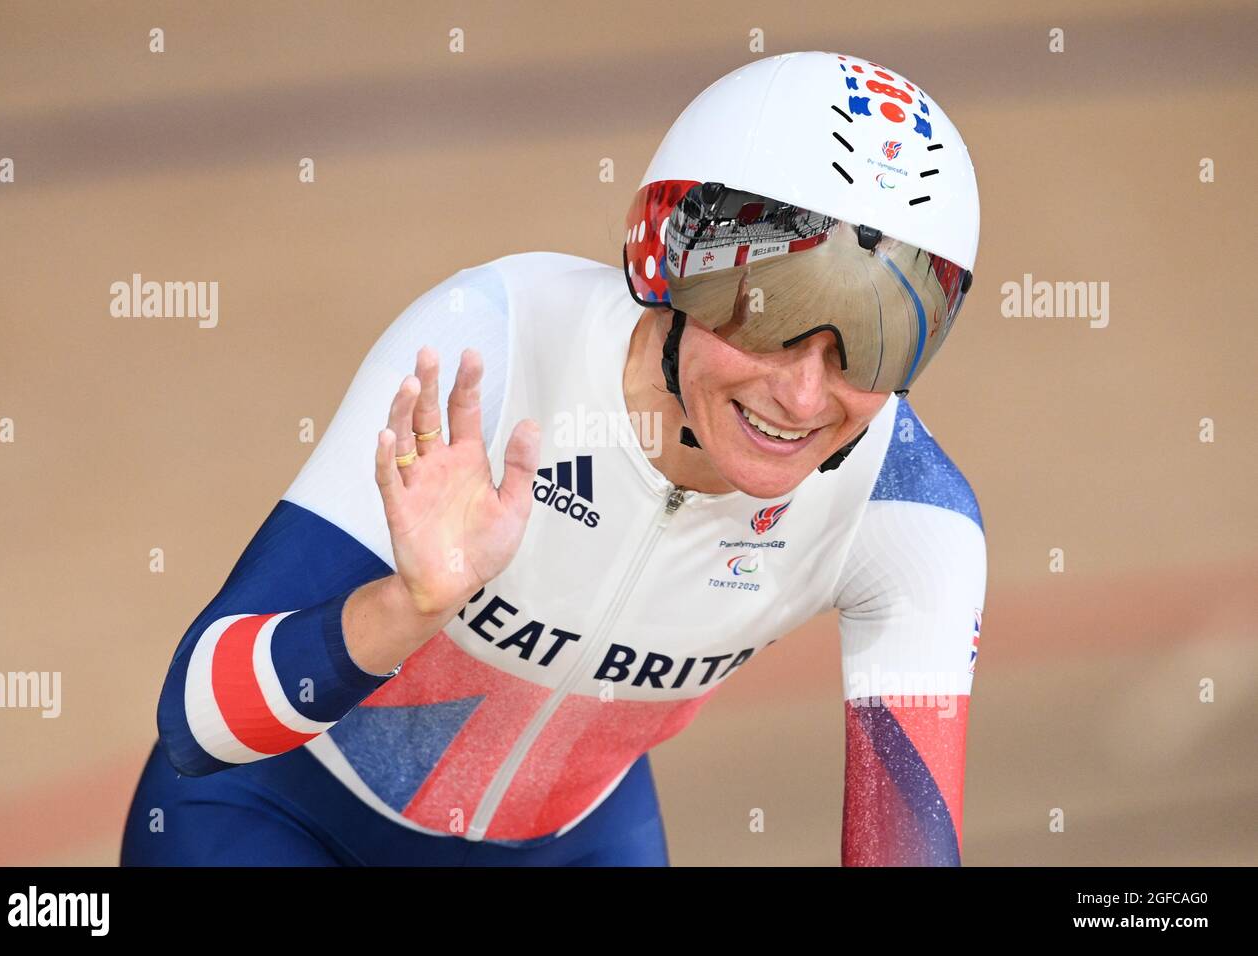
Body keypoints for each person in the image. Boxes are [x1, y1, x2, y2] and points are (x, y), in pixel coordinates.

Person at [121, 50, 985, 867]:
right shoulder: (494, 343)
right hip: (274, 815)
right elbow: (197, 723)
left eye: (877, 342)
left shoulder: (905, 513)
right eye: (768, 313)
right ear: (671, 267)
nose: (803, 397)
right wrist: (407, 606)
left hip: (571, 842)